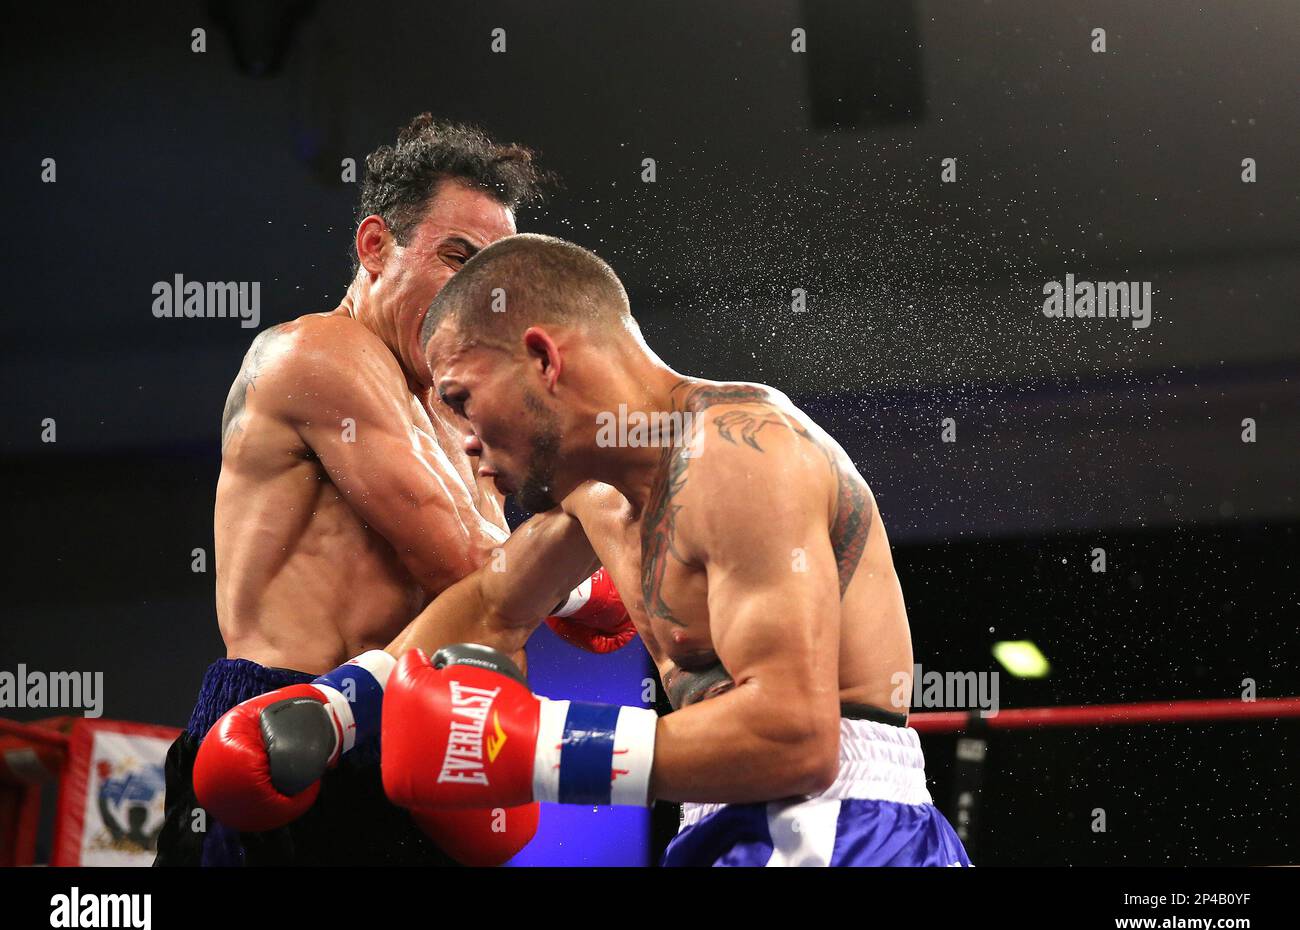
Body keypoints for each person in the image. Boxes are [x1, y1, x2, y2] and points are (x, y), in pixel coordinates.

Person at [372, 233, 972, 866]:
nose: (466, 439)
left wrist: (538, 747)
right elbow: (491, 606)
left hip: (834, 823)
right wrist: (333, 711)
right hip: (718, 819)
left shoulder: (742, 451)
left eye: (463, 399)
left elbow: (796, 738)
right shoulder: (599, 495)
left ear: (543, 359)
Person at [156, 121, 633, 867]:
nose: (476, 299)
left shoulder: (457, 407)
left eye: (493, 281)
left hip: (409, 737)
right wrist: (593, 583)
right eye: (456, 259)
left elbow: (492, 613)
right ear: (375, 246)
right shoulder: (315, 355)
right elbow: (469, 564)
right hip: (282, 734)